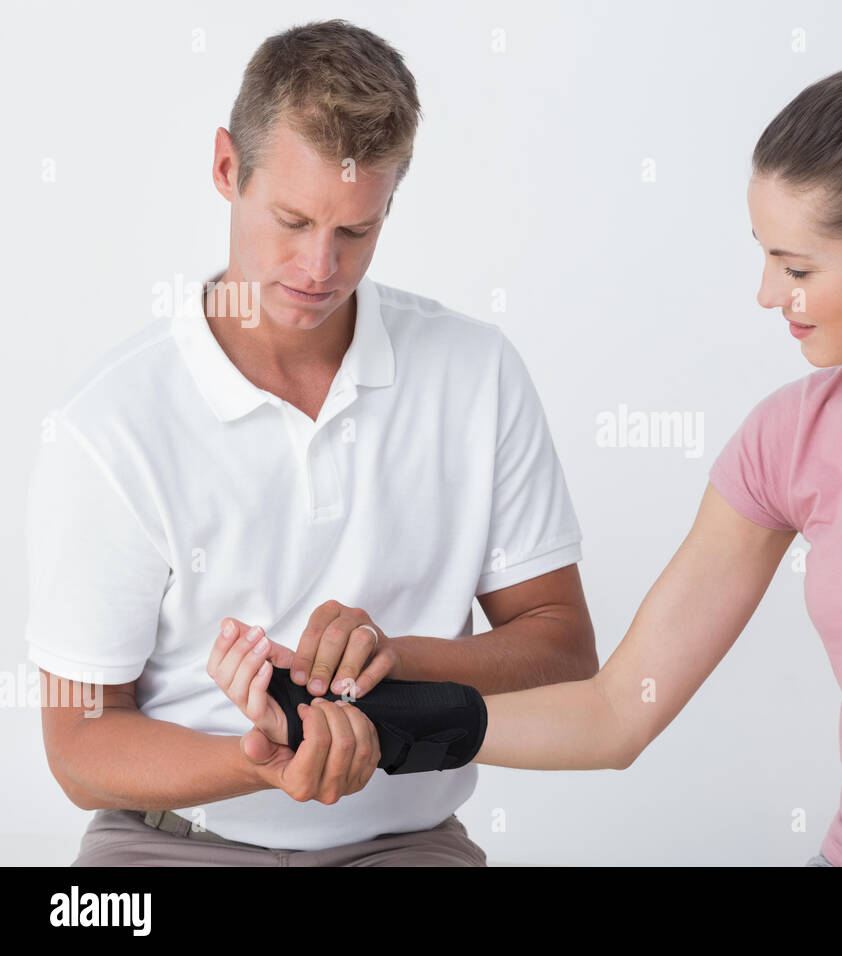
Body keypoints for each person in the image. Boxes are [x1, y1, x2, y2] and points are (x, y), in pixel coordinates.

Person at [213, 50, 842, 866]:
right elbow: (614, 712)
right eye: (764, 255)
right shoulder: (790, 437)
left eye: (798, 267)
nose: (769, 294)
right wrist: (381, 720)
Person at [26, 19, 597, 866]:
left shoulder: (478, 374)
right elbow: (78, 744)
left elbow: (565, 653)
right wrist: (255, 763)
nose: (318, 268)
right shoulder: (106, 426)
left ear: (391, 204)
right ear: (227, 168)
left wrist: (398, 661)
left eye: (355, 232)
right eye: (291, 220)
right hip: (173, 845)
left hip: (405, 843)